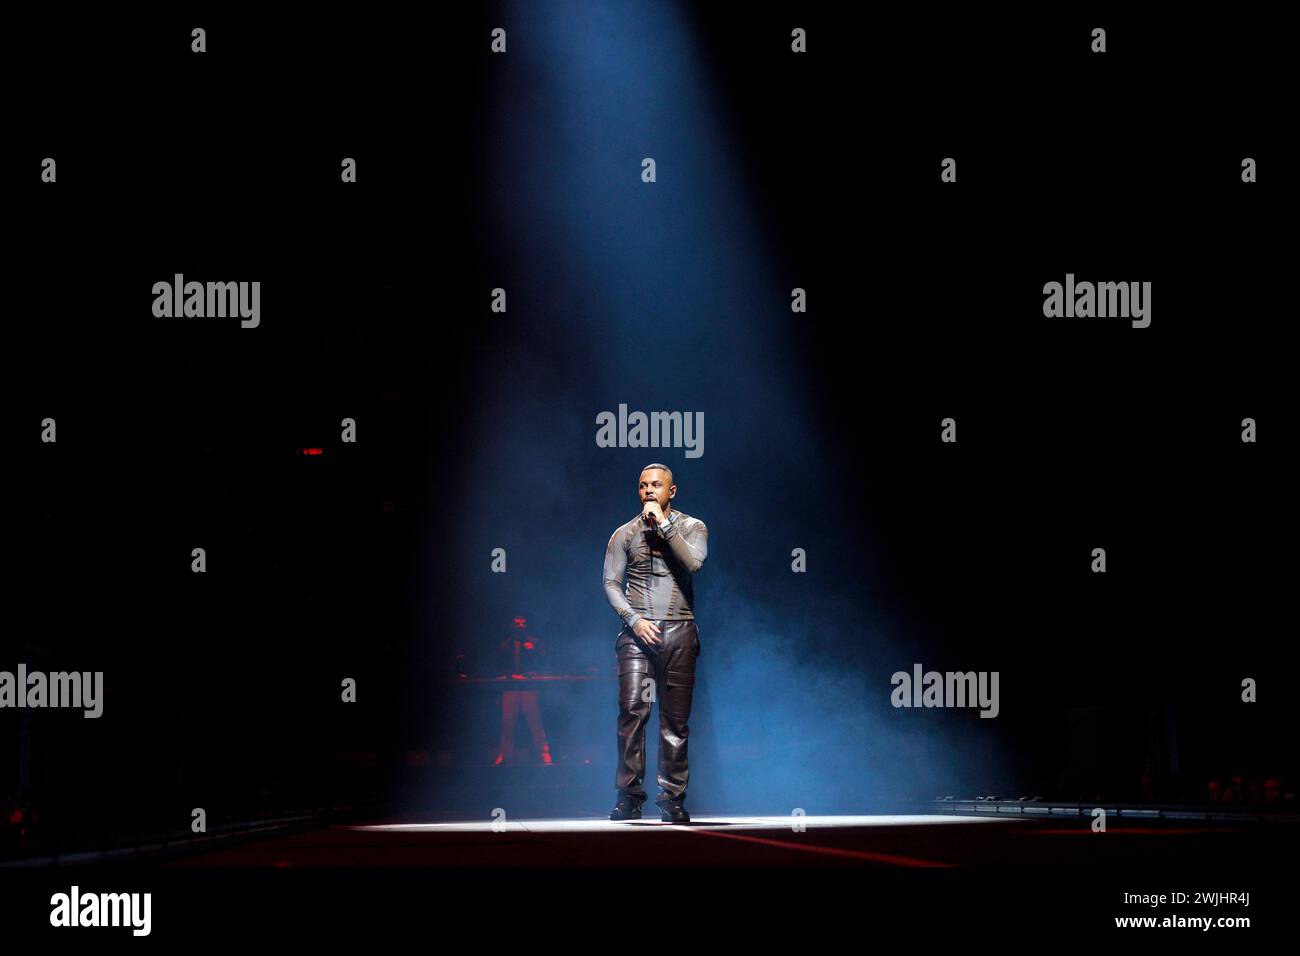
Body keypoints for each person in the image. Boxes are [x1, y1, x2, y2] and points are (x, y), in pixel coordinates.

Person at [602, 463, 708, 823]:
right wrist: (633, 619)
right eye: (644, 485)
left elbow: (694, 562)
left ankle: (672, 799)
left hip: (679, 631)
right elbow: (610, 584)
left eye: (657, 485)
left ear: (671, 492)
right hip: (637, 636)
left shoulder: (693, 527)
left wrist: (662, 524)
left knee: (675, 721)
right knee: (633, 711)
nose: (649, 490)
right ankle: (629, 796)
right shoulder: (623, 534)